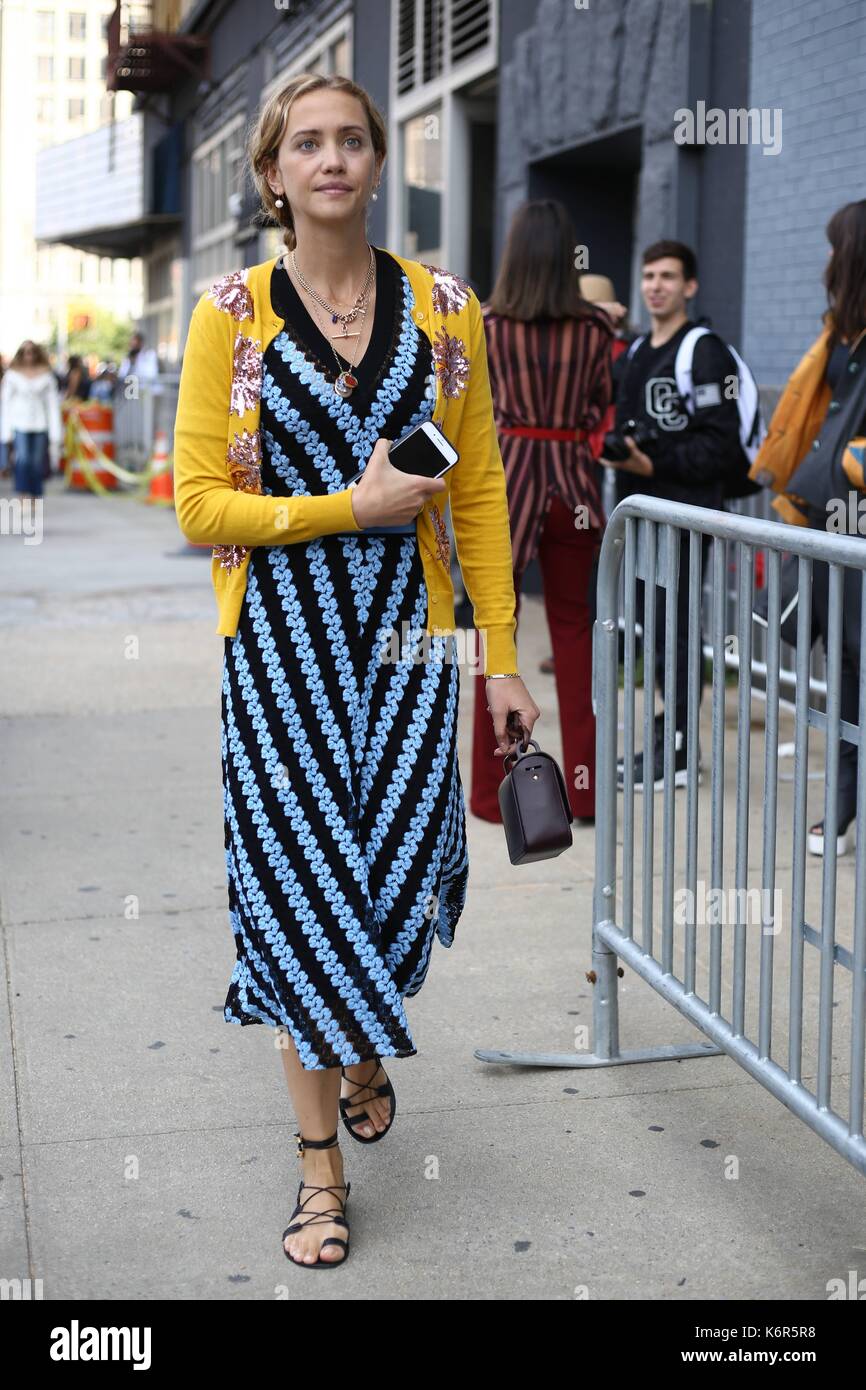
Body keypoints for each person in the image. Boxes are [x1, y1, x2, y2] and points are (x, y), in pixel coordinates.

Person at [172, 72, 540, 1269]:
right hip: (278, 652)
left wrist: (498, 659)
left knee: (388, 881)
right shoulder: (231, 314)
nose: (330, 158)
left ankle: (363, 1037)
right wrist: (351, 504)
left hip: (408, 644)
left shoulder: (445, 310)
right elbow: (196, 505)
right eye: (305, 143)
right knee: (294, 901)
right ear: (271, 173)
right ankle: (319, 1172)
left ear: (378, 163)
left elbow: (477, 493)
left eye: (351, 139)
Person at [468, 201, 613, 824]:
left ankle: (487, 795)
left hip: (510, 479)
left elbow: (475, 406)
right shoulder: (596, 330)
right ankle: (582, 791)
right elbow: (601, 409)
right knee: (576, 634)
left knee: (493, 629)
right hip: (574, 484)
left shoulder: (489, 324)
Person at [601, 240, 743, 790]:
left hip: (687, 518)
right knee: (658, 632)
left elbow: (720, 447)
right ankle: (665, 743)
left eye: (667, 276)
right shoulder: (636, 352)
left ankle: (679, 752)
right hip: (645, 519)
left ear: (690, 286)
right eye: (648, 276)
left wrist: (651, 458)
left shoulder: (703, 351)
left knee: (678, 630)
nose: (655, 285)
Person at [750, 199, 866, 857]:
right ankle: (844, 808)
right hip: (834, 530)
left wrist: (851, 460)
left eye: (833, 248)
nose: (824, 260)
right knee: (847, 674)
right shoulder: (839, 337)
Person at [538, 273, 631, 676]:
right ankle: (590, 655)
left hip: (595, 470)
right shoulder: (598, 344)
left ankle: (604, 653)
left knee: (589, 583)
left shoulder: (610, 348)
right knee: (580, 594)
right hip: (586, 470)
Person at [0, 340, 62, 499]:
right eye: (25, 351)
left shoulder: (46, 375)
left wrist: (56, 432)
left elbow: (53, 405)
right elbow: (6, 403)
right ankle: (22, 493)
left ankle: (35, 493)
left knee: (36, 460)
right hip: (19, 423)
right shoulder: (12, 374)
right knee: (23, 459)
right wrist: (5, 431)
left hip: (40, 424)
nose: (29, 355)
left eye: (32, 351)